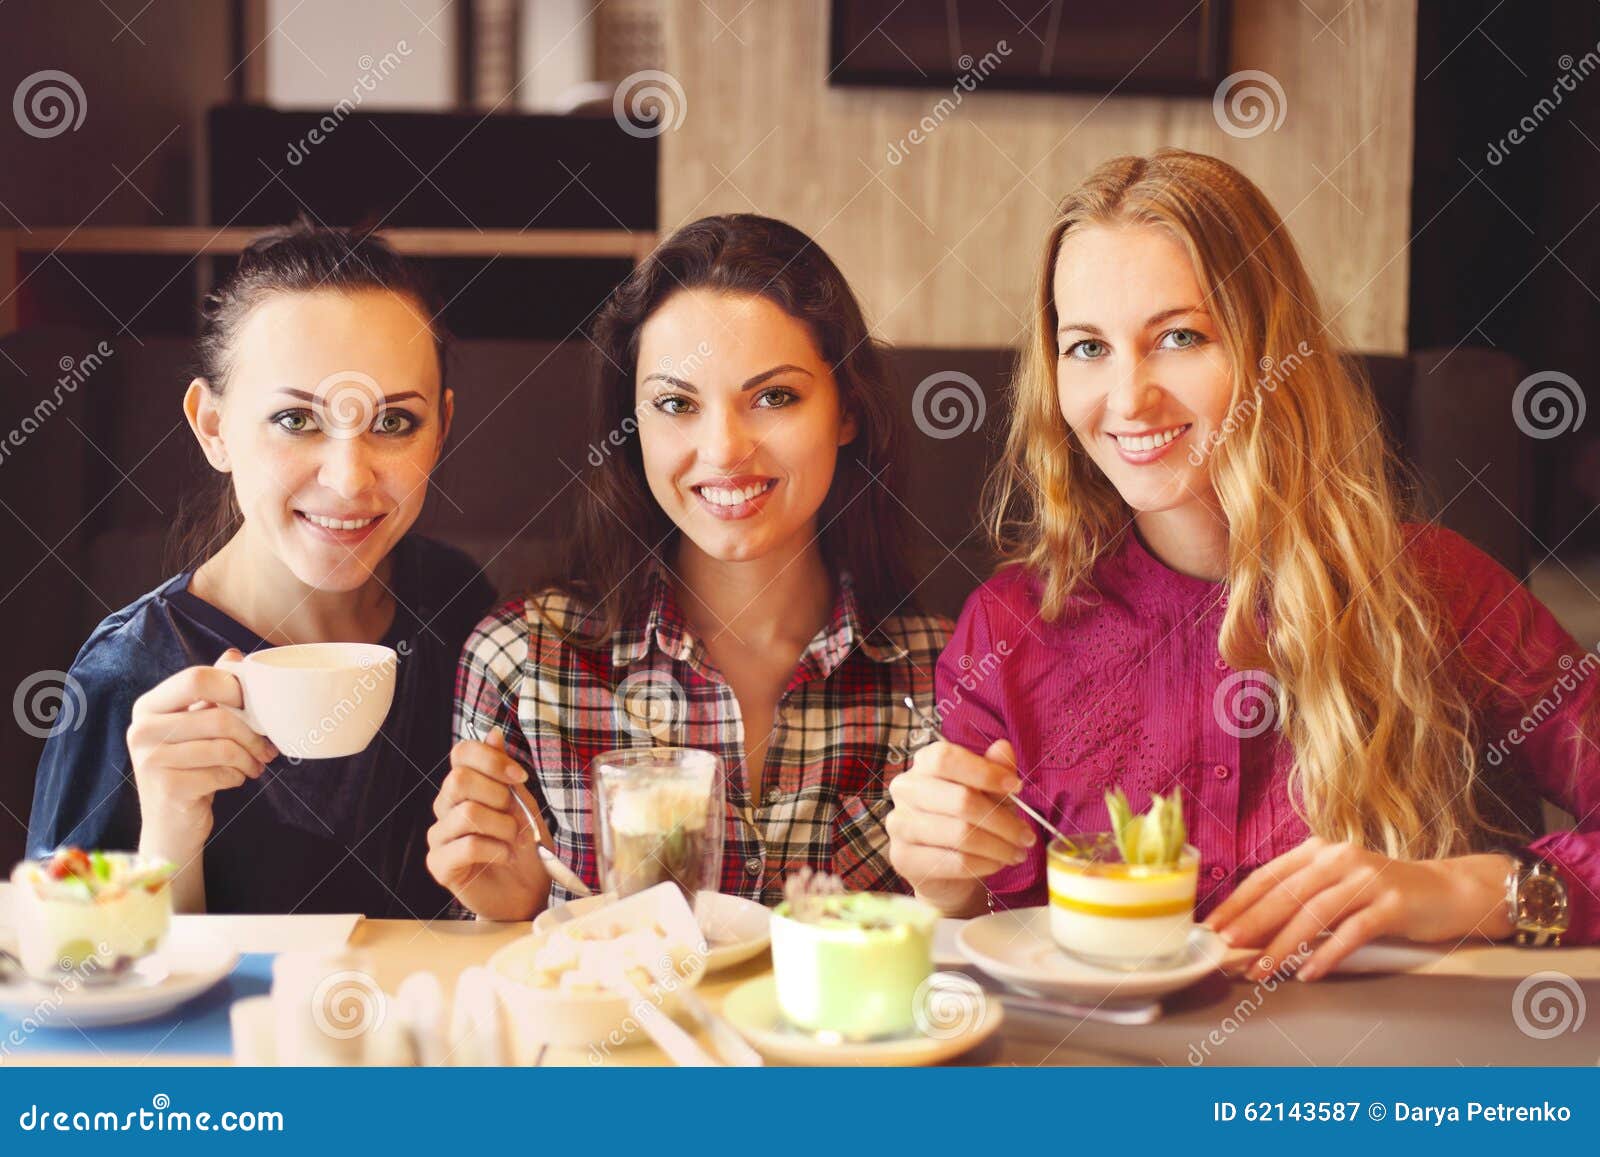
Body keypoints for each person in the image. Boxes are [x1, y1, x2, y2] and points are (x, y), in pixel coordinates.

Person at [886, 148, 1600, 975]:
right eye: (1087, 348)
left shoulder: (1435, 588)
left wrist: (1476, 889)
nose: (1127, 399)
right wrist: (944, 887)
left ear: (1270, 351)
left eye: (1180, 337)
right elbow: (983, 948)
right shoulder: (1008, 626)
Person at [428, 214, 949, 920]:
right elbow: (497, 996)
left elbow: (967, 968)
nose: (724, 449)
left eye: (774, 397)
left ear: (847, 408)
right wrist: (504, 912)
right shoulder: (522, 662)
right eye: (676, 403)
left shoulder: (942, 671)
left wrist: (965, 893)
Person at [27, 224, 493, 915]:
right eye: (296, 420)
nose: (347, 478)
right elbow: (63, 993)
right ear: (212, 426)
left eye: (394, 423)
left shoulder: (456, 603)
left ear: (443, 430)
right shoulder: (129, 675)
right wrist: (169, 836)